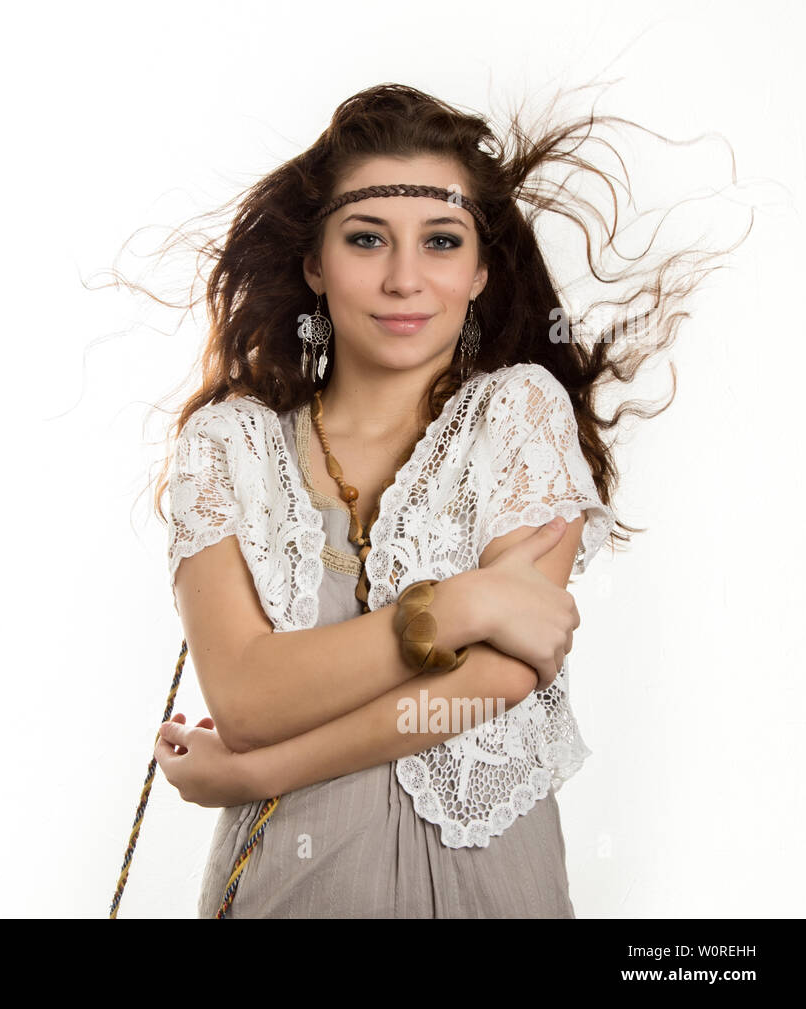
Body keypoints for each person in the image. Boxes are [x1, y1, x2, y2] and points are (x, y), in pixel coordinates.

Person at [134, 83, 744, 918]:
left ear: (481, 268)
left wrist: (263, 770)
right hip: (289, 886)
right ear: (316, 261)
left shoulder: (519, 412)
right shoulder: (227, 446)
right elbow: (244, 697)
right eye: (365, 239)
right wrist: (462, 603)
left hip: (490, 884)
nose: (403, 279)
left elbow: (502, 672)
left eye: (441, 241)